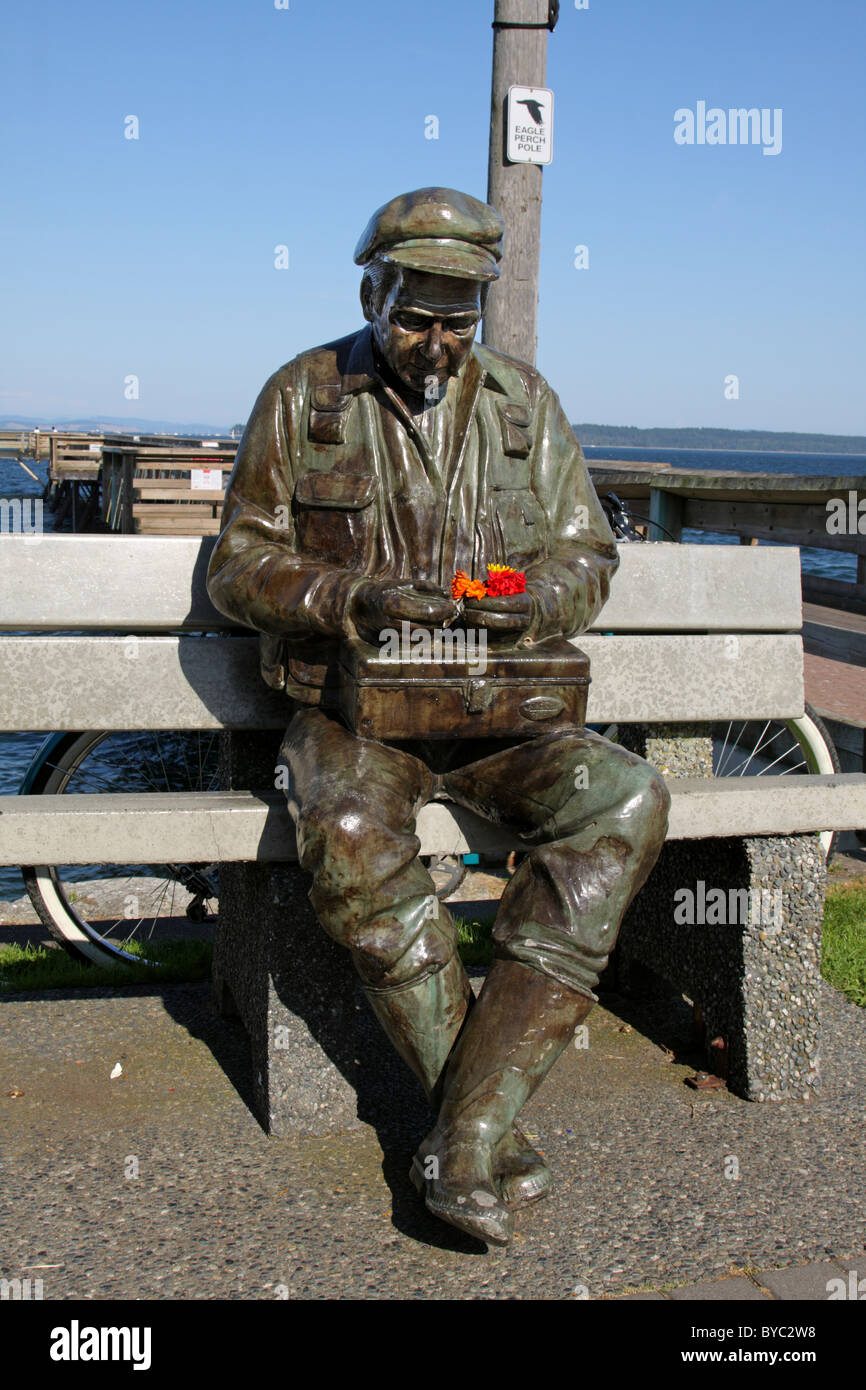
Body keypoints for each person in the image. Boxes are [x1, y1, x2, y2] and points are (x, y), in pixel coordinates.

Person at [206, 187, 670, 1245]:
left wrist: (530, 599)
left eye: (458, 321)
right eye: (414, 316)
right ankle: (481, 1131)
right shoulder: (301, 396)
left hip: (500, 708)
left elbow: (584, 552)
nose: (436, 342)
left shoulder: (524, 405)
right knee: (353, 835)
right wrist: (347, 598)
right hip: (351, 712)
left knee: (630, 798)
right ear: (370, 291)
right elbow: (237, 561)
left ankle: (458, 1135)